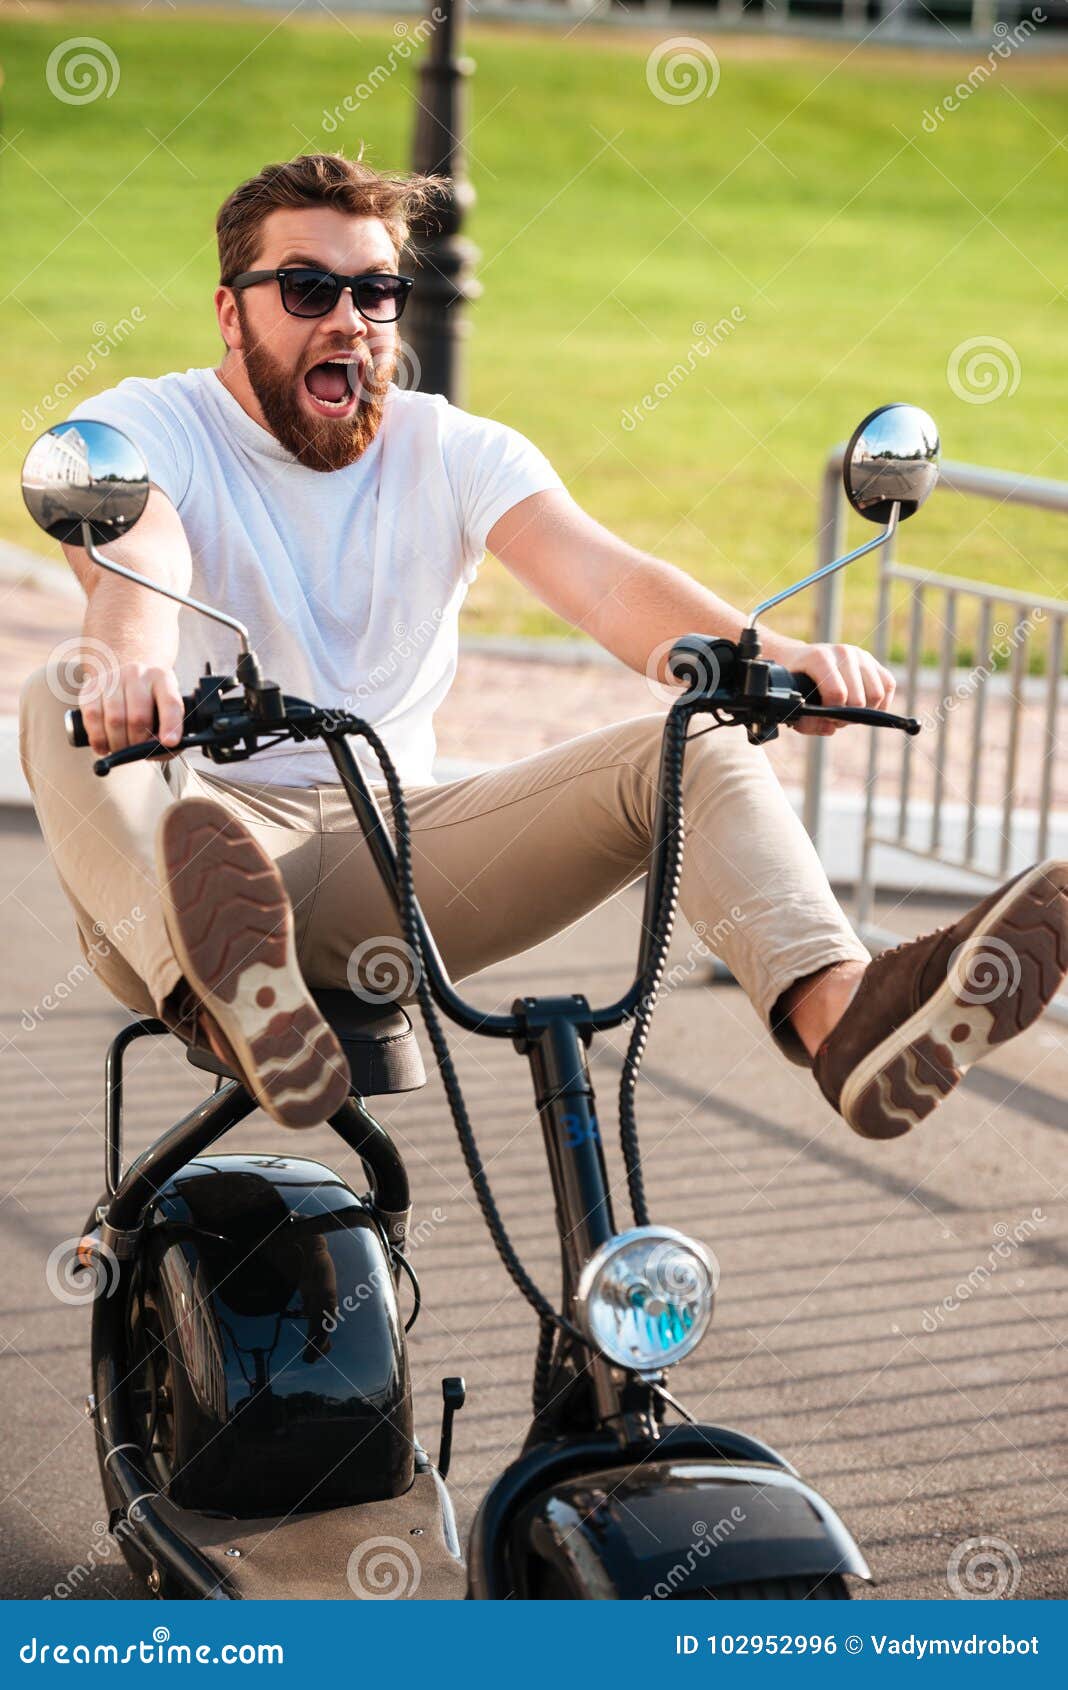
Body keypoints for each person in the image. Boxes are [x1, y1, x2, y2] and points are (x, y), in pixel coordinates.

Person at [19, 153, 1068, 1136]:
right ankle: (229, 993)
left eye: (376, 294)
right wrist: (126, 651)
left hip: (388, 844)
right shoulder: (158, 422)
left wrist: (769, 656)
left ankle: (847, 1023)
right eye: (307, 289)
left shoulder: (450, 447)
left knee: (694, 746)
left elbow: (608, 579)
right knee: (56, 689)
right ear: (228, 309)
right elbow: (135, 537)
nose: (349, 320)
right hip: (183, 829)